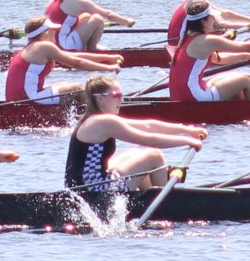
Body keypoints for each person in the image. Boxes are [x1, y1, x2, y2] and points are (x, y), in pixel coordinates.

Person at [66, 75, 209, 191]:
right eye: (116, 95)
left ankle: (145, 199)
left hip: (84, 186)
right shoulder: (103, 122)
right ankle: (165, 205)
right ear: (100, 98)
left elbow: (148, 125)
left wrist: (187, 130)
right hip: (92, 191)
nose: (121, 100)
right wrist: (188, 141)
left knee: (134, 154)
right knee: (154, 155)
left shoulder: (93, 119)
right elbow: (150, 140)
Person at [171, 0, 250, 101]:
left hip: (180, 94)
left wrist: (245, 56)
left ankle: (239, 115)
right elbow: (249, 46)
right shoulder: (207, 40)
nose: (214, 21)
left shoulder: (186, 38)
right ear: (204, 22)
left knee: (234, 78)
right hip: (193, 96)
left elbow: (218, 59)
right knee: (246, 79)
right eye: (212, 18)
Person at [6, 15, 125, 103]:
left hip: (19, 98)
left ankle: (75, 114)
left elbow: (73, 56)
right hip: (27, 98)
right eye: (53, 30)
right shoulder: (43, 46)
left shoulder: (32, 47)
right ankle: (92, 119)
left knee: (65, 85)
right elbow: (77, 63)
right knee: (78, 89)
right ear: (45, 33)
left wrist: (109, 57)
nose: (55, 33)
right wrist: (108, 68)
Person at [48, 0, 134, 52]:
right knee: (97, 19)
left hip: (52, 44)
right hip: (64, 46)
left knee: (86, 16)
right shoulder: (78, 1)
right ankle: (92, 49)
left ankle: (85, 47)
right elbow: (107, 14)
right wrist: (127, 21)